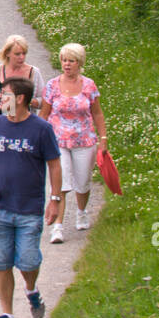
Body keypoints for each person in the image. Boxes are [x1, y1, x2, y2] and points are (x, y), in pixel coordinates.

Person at [0, 76, 63, 318]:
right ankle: (6, 314)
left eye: (4, 95)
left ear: (20, 98)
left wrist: (55, 200)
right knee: (0, 262)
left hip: (29, 208)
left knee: (28, 261)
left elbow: (54, 164)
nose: (0, 99)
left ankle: (31, 290)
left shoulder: (41, 129)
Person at [39, 42, 107, 244]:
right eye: (64, 60)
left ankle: (82, 211)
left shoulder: (89, 85)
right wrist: (36, 138)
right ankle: (58, 227)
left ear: (79, 63)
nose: (67, 64)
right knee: (61, 183)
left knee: (83, 181)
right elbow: (44, 114)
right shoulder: (52, 86)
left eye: (71, 60)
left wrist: (103, 139)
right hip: (58, 141)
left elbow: (97, 113)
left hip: (84, 140)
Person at [0, 35, 47, 143]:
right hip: (1, 127)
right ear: (7, 53)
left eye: (23, 54)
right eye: (17, 54)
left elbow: (44, 101)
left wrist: (27, 101)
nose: (21, 57)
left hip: (26, 127)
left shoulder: (34, 73)